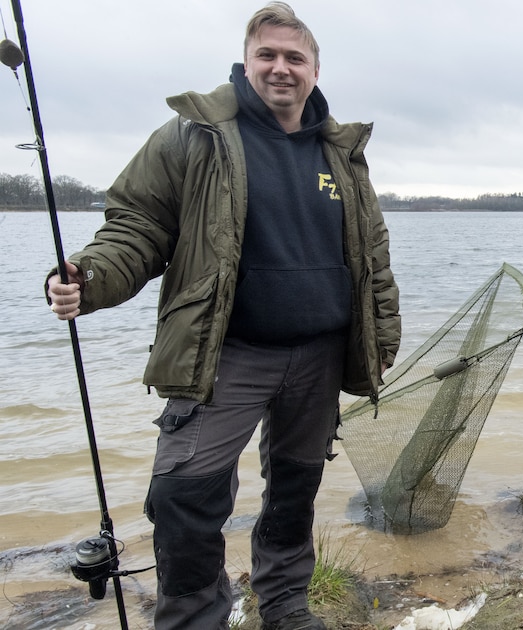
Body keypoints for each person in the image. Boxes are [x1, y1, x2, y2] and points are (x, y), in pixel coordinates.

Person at [44, 3, 401, 629]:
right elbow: (138, 228)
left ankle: (286, 602)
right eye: (268, 55)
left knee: (295, 489)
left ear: (316, 69)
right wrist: (89, 278)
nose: (281, 69)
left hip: (319, 354)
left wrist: (383, 334)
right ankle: (193, 615)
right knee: (184, 495)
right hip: (223, 352)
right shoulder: (193, 136)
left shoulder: (341, 151)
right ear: (245, 62)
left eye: (295, 58)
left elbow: (371, 254)